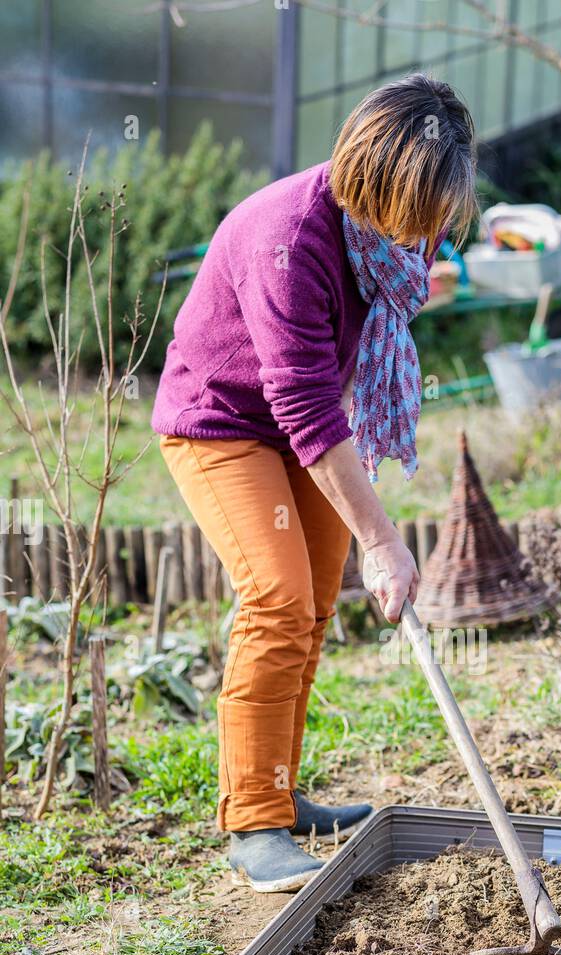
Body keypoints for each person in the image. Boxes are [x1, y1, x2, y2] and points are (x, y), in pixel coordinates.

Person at [152, 75, 477, 892]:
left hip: (309, 423)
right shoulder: (286, 239)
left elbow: (352, 349)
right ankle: (254, 824)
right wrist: (384, 539)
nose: (429, 233)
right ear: (372, 179)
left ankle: (283, 791)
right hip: (220, 422)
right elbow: (297, 403)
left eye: (439, 212)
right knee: (277, 597)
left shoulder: (407, 231)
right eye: (419, 211)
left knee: (316, 603)